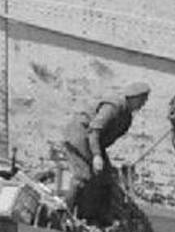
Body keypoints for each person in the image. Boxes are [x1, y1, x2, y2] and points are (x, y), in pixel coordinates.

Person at [61, 83, 150, 223]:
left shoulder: (126, 117)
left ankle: (95, 218)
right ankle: (64, 212)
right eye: (142, 100)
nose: (143, 104)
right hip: (80, 136)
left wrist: (99, 156)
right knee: (83, 176)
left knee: (106, 179)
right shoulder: (113, 107)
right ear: (133, 97)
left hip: (93, 142)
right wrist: (96, 156)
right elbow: (94, 130)